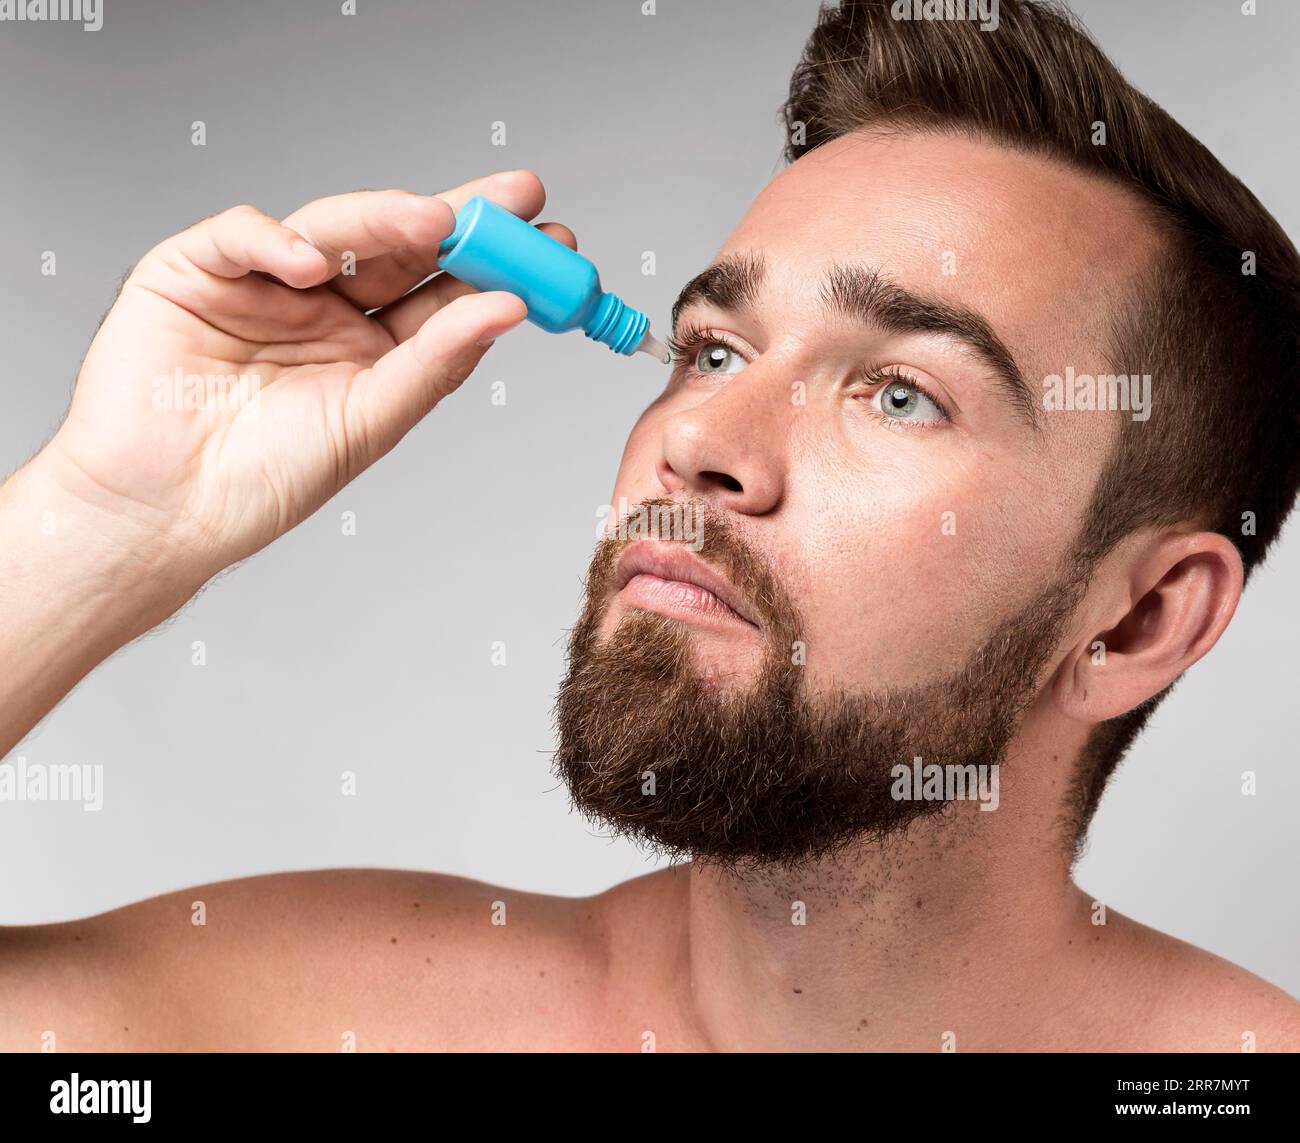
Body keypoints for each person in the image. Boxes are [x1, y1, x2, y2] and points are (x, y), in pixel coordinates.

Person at [1, 0, 1297, 1051]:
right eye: (718, 351)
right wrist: (107, 518)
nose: (697, 442)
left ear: (1136, 617)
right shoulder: (326, 1025)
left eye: (899, 394)